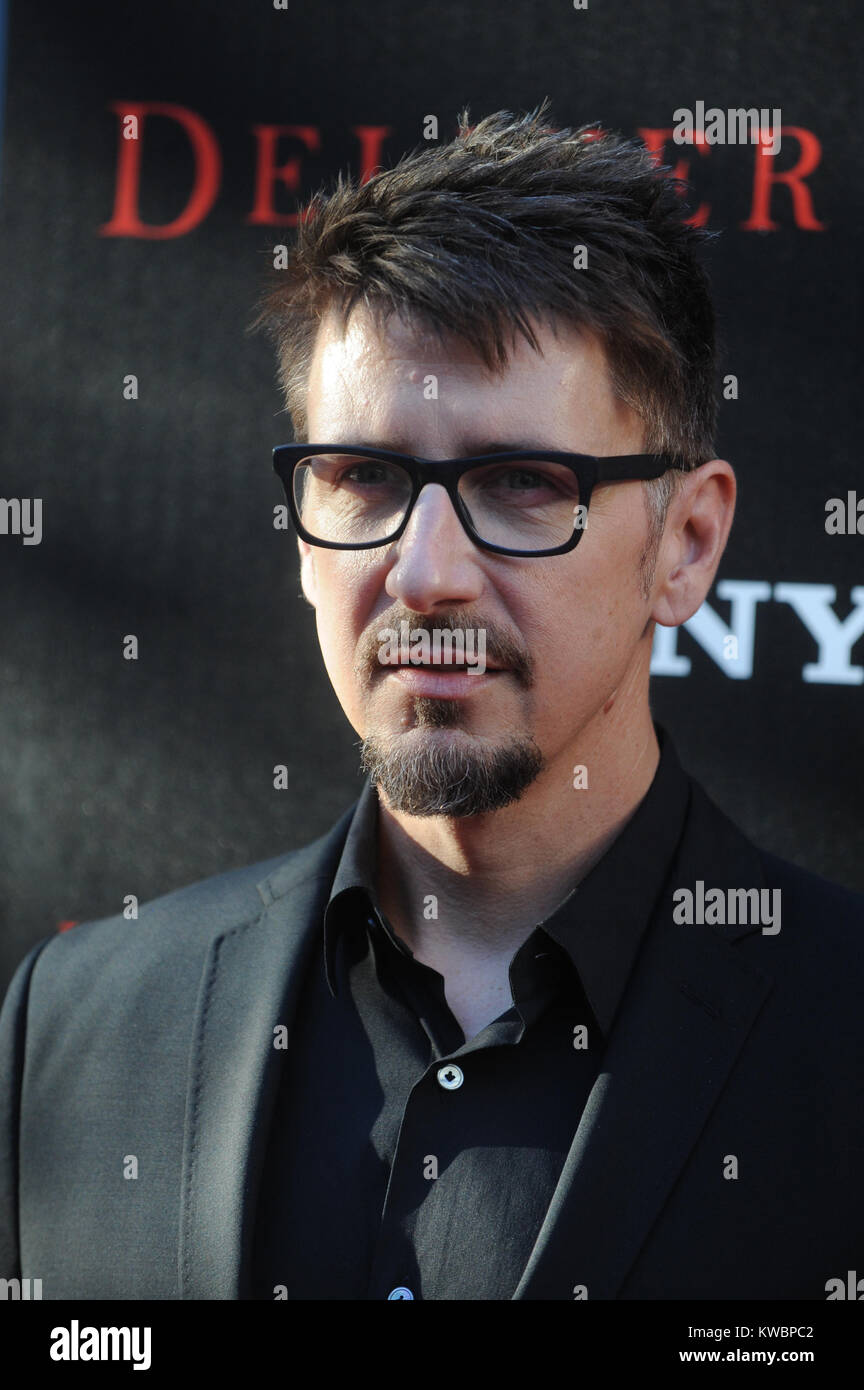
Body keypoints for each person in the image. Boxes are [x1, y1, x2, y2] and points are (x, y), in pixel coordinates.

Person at [2, 104, 862, 1302]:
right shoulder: (78, 1027)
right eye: (362, 477)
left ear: (691, 542)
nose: (425, 571)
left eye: (519, 483)